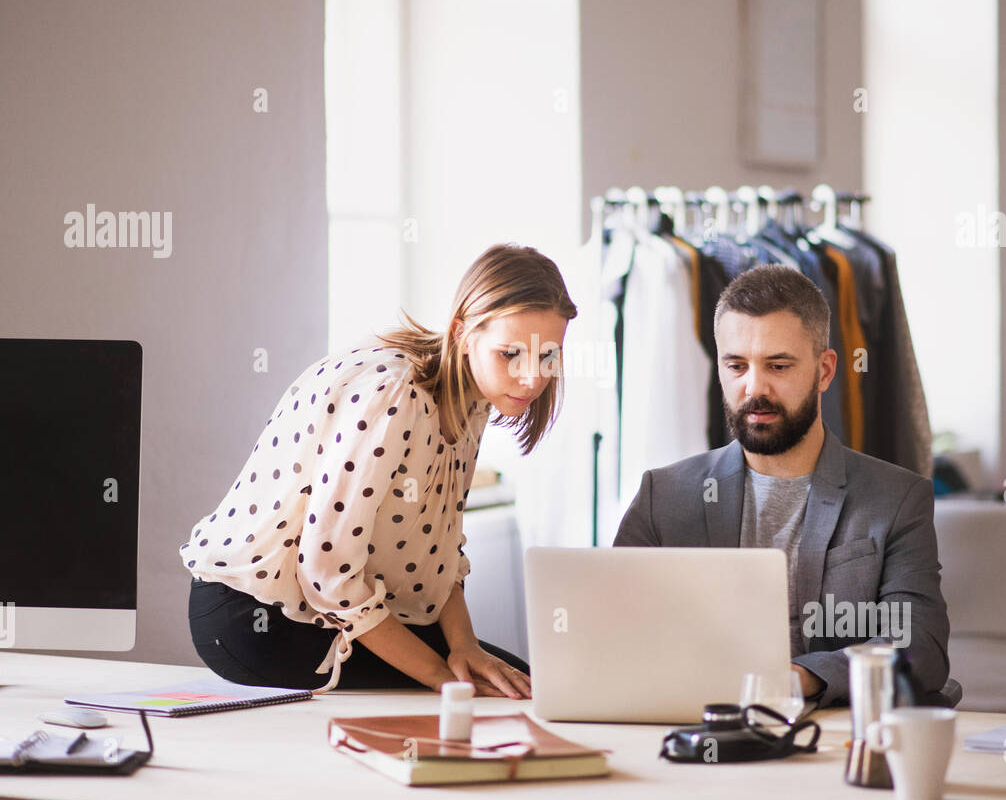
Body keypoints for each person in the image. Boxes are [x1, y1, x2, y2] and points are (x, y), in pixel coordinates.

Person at [182, 243, 577, 697]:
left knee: (522, 683)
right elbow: (326, 572)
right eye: (511, 354)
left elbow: (441, 546)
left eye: (548, 355)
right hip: (259, 615)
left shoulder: (474, 397)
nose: (532, 378)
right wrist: (443, 679)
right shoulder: (394, 395)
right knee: (504, 696)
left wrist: (465, 646)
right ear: (463, 333)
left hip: (339, 608)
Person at [613, 264, 950, 708]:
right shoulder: (664, 496)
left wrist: (800, 678)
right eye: (737, 365)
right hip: (700, 725)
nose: (755, 387)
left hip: (834, 733)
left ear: (825, 371)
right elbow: (613, 629)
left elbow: (919, 646)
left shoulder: (896, 499)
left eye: (778, 365)